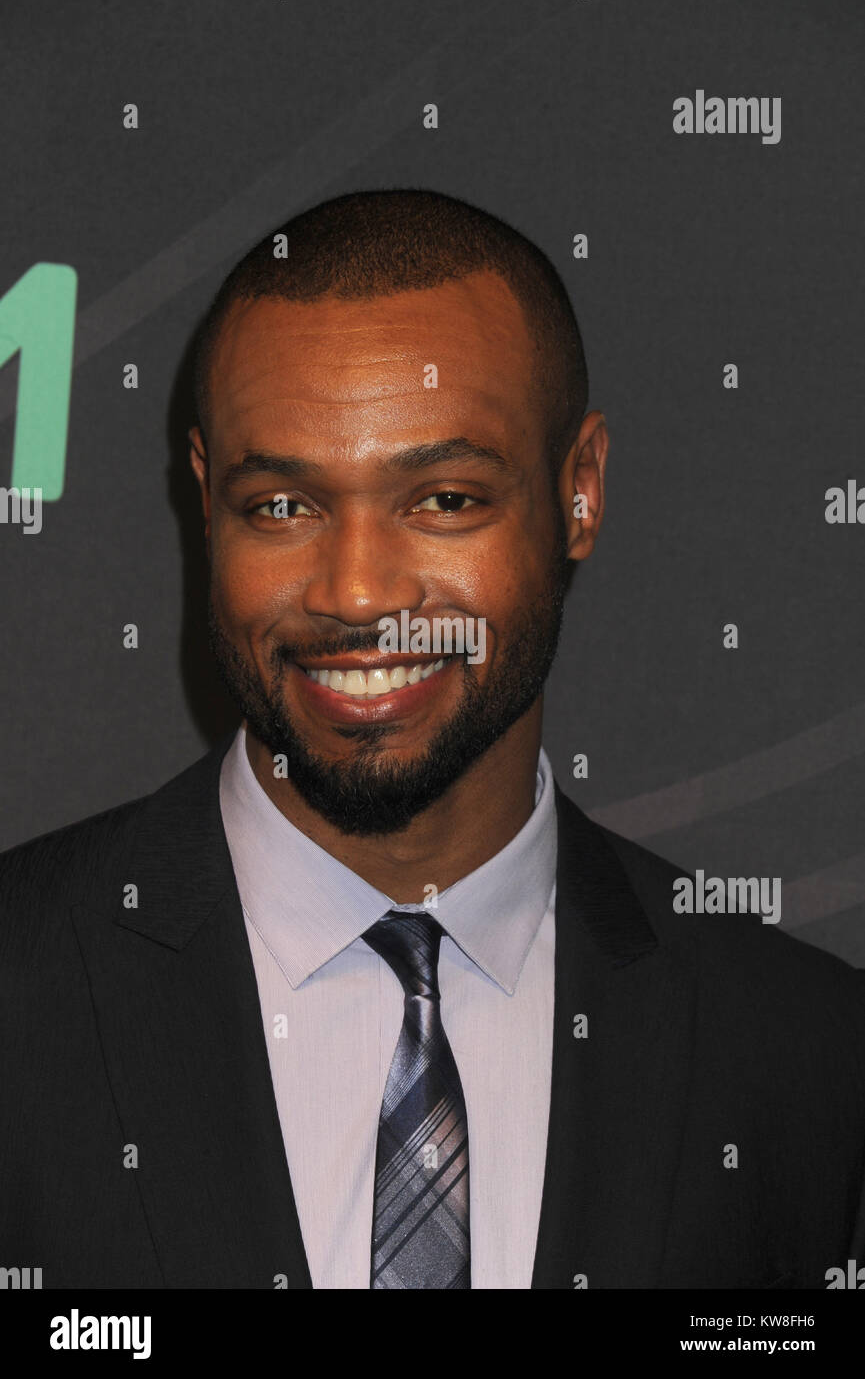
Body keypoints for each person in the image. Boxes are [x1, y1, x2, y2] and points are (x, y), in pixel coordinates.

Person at [2, 188, 864, 1291]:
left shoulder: (802, 1055)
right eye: (281, 506)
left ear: (579, 493)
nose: (358, 592)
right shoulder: (21, 993)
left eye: (444, 497)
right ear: (206, 496)